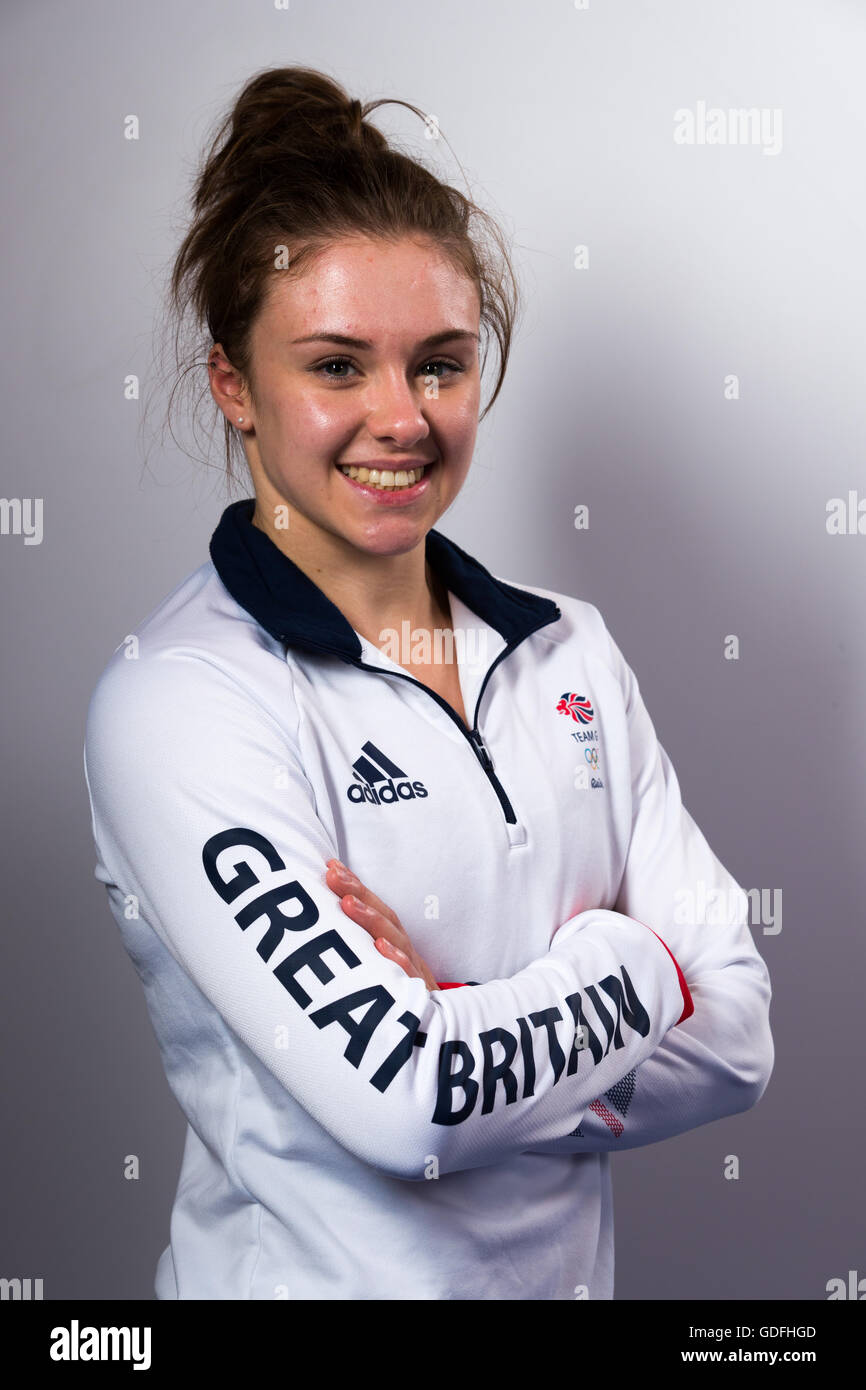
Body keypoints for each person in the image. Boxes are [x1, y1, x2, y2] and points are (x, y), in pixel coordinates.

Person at [83, 65, 774, 1301]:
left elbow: (740, 1038)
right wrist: (634, 964)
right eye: (337, 366)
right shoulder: (179, 700)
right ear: (232, 385)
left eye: (440, 365)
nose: (399, 418)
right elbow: (408, 1101)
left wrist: (461, 1014)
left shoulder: (572, 647)